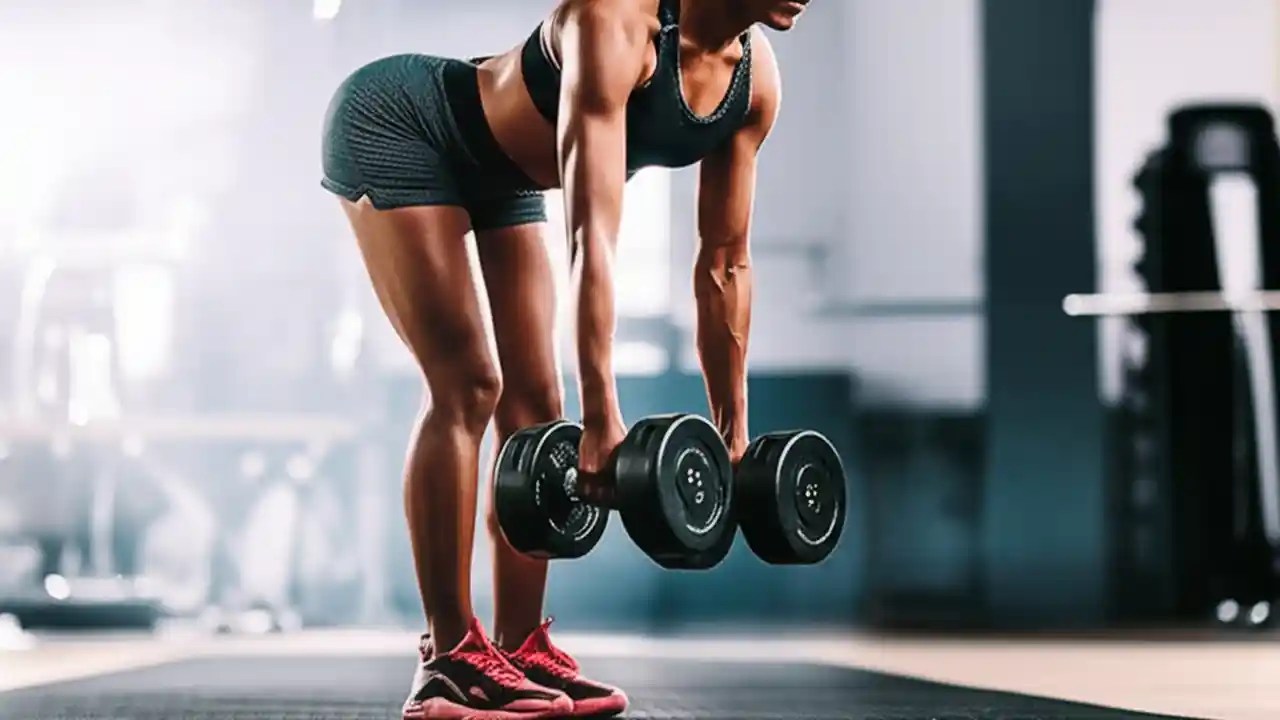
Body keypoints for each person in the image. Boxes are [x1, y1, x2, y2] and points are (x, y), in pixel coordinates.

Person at [320, 0, 813, 717]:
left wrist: (733, 435)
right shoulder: (614, 20)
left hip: (502, 173)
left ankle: (519, 651)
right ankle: (450, 659)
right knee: (468, 385)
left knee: (536, 414)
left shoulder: (755, 80)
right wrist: (603, 414)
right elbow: (595, 238)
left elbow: (726, 265)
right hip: (404, 124)